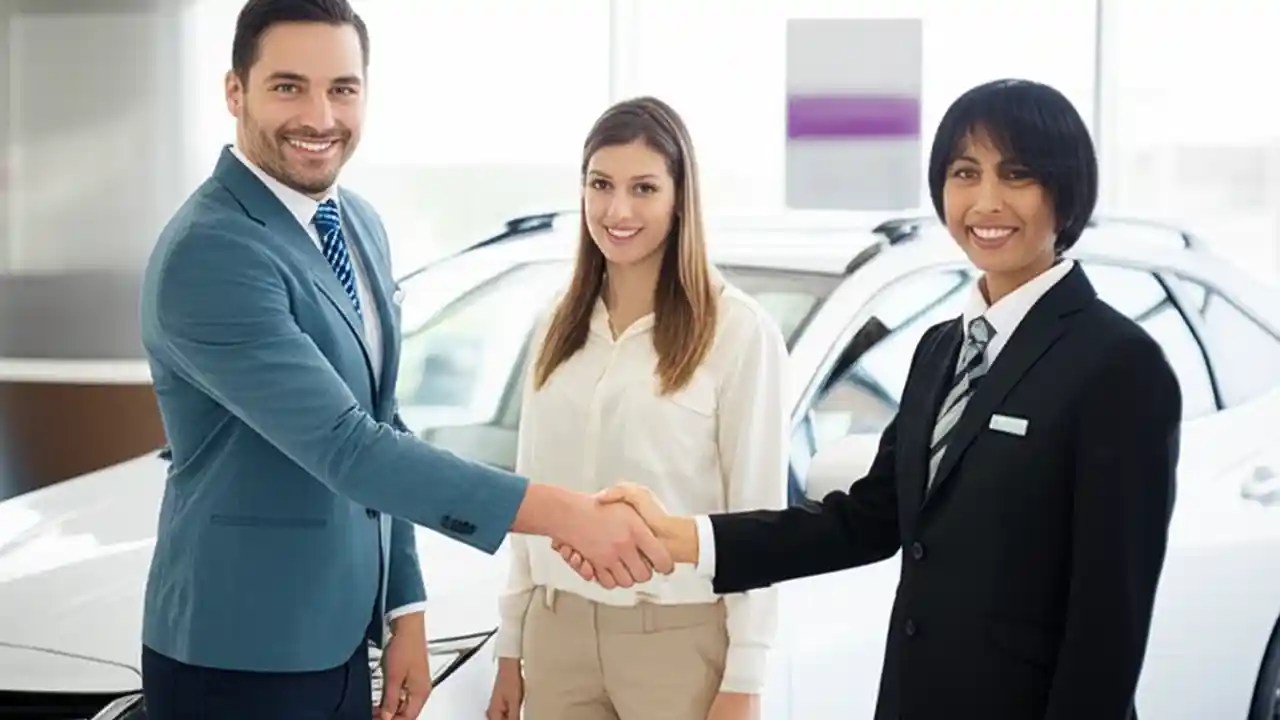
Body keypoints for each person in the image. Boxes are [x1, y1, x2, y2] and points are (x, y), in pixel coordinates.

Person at [569, 79, 1183, 719]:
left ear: (1066, 189)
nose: (985, 201)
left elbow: (1107, 626)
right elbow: (867, 521)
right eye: (964, 173)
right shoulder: (942, 349)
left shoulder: (1119, 366)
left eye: (1017, 174)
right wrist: (687, 537)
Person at [137, 2, 671, 719]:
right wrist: (568, 515)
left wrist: (404, 608)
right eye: (288, 87)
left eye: (343, 88)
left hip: (338, 639)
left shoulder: (354, 221)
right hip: (239, 651)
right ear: (236, 93)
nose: (320, 115)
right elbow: (348, 447)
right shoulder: (213, 251)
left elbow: (382, 417)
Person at [484, 97, 789, 720]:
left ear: (680, 199)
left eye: (643, 188)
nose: (617, 210)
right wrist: (510, 646)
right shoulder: (555, 326)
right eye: (601, 185)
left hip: (677, 640)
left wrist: (745, 677)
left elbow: (758, 513)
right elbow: (530, 490)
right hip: (557, 634)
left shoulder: (738, 332)